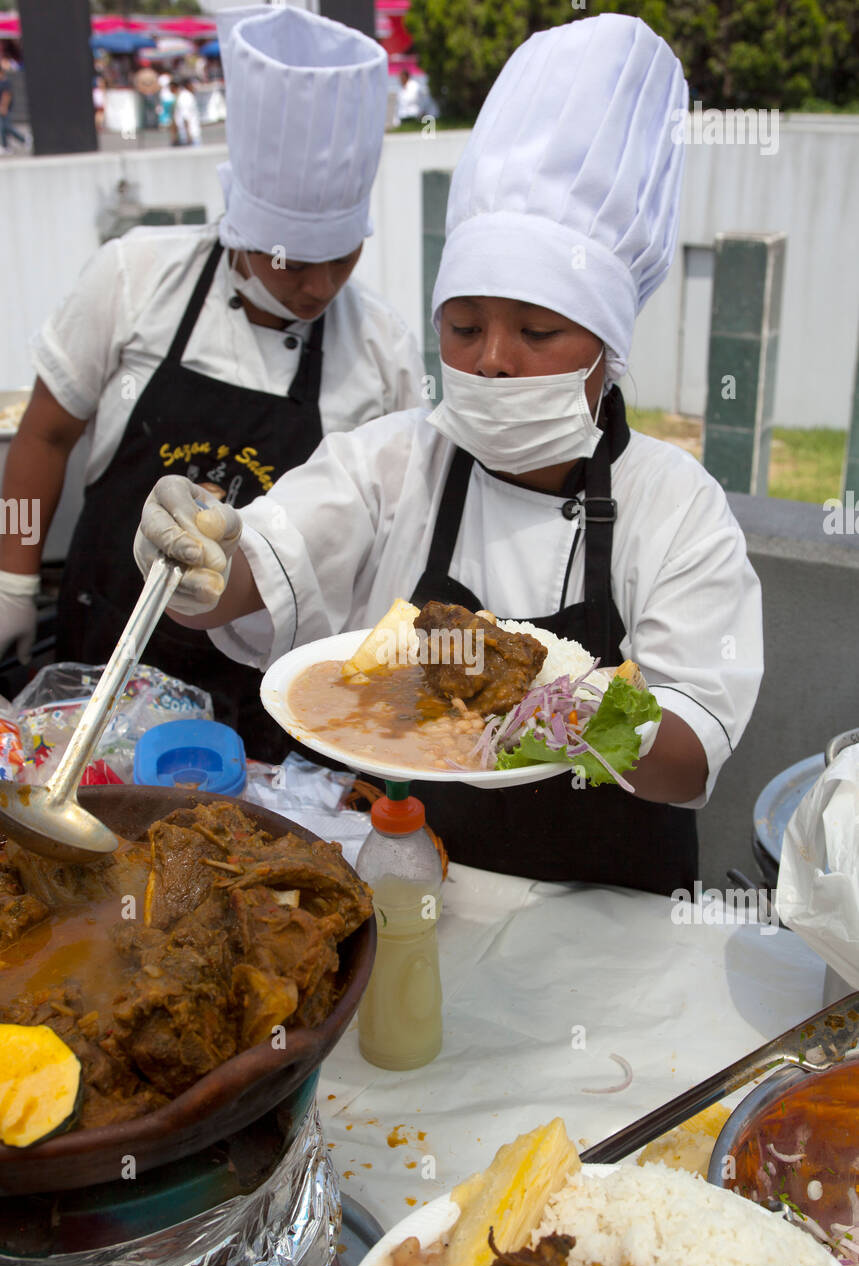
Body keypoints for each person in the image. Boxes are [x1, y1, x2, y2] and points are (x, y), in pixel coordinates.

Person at [135, 15, 764, 895]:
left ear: (607, 349)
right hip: (413, 887)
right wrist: (202, 560)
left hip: (612, 929)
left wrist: (564, 713)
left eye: (536, 330)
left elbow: (688, 760)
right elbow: (259, 570)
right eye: (463, 327)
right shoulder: (395, 463)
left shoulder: (676, 507)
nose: (492, 358)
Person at [0, 6, 424, 759]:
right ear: (247, 222)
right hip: (102, 668)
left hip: (264, 707)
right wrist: (12, 574)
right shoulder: (134, 278)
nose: (319, 286)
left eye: (343, 255)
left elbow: (388, 540)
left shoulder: (381, 348)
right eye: (293, 259)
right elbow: (46, 433)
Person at [0, 57, 27, 153]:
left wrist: (3, 107)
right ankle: (6, 145)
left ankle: (23, 140)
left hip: (4, 108)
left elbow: (6, 95)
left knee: (5, 126)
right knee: (3, 127)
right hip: (2, 108)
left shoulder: (5, 82)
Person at [170, 78, 201, 147]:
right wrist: (188, 136)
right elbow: (184, 118)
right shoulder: (185, 97)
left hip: (189, 135)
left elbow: (184, 118)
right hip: (189, 136)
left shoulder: (185, 96)